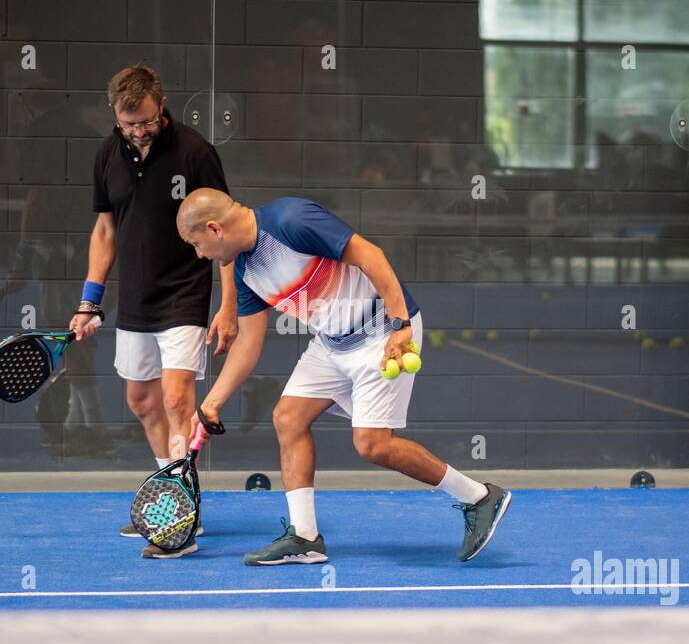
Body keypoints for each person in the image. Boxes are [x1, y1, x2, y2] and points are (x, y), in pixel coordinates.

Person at [176, 187, 512, 564]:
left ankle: (480, 497)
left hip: (382, 332)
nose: (199, 254)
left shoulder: (291, 220)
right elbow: (248, 344)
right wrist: (211, 405)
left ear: (214, 228)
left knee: (372, 445)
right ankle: (305, 538)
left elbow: (372, 256)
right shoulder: (245, 271)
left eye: (196, 244)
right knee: (288, 417)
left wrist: (401, 324)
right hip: (333, 343)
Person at [70, 66, 237, 557]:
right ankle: (171, 489)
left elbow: (224, 229)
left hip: (185, 294)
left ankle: (182, 512)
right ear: (115, 114)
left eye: (145, 121)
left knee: (176, 399)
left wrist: (227, 305)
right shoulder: (106, 154)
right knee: (141, 402)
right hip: (135, 299)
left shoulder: (196, 152)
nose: (138, 132)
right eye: (129, 124)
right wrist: (89, 300)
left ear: (160, 104)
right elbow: (105, 231)